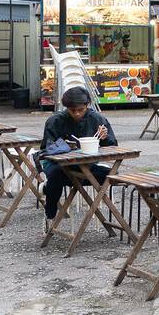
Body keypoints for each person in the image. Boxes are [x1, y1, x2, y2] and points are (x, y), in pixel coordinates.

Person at [39, 86, 117, 232]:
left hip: (87, 167)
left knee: (111, 176)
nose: (76, 114)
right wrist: (64, 147)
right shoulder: (55, 121)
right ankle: (50, 214)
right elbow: (46, 149)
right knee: (56, 175)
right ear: (66, 108)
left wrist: (105, 138)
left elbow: (113, 147)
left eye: (80, 110)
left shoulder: (97, 119)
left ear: (87, 105)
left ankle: (48, 188)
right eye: (72, 110)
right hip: (59, 166)